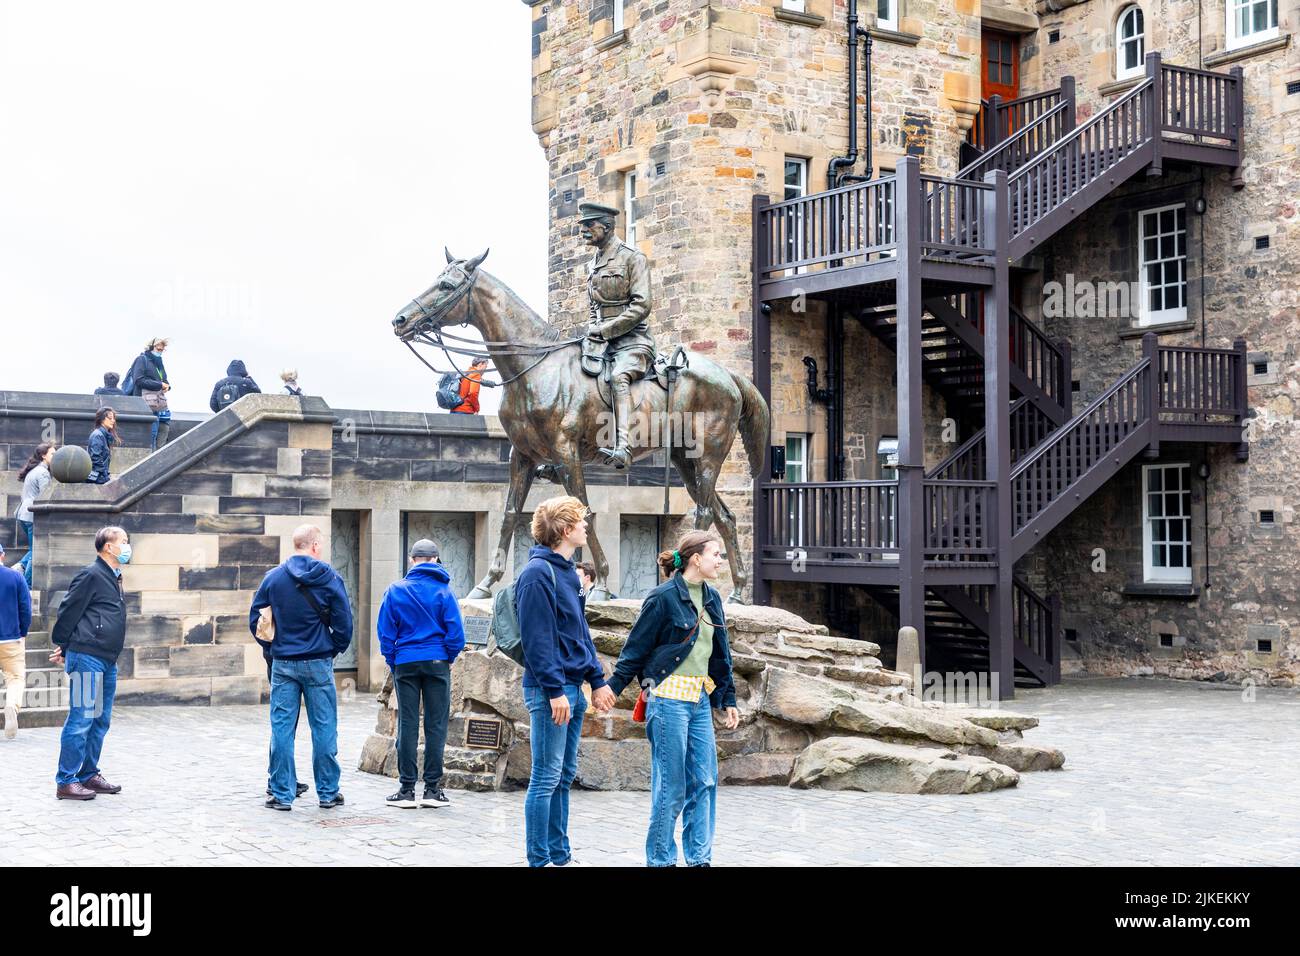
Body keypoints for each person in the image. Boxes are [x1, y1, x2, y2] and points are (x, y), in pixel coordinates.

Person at [605, 530, 739, 867]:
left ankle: (699, 859)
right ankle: (661, 860)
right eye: (716, 555)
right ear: (696, 558)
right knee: (672, 786)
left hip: (698, 702)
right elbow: (635, 650)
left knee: (705, 781)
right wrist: (612, 687)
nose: (720, 561)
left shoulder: (712, 598)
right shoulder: (662, 598)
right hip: (667, 702)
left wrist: (727, 699)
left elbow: (720, 655)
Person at [515, 495, 616, 866]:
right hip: (549, 693)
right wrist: (554, 689)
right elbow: (537, 639)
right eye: (580, 521)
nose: (586, 527)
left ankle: (560, 856)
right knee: (545, 776)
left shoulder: (568, 572)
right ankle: (539, 859)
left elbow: (578, 633)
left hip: (573, 689)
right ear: (564, 529)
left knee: (563, 774)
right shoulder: (537, 574)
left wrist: (597, 679)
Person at [248, 524, 353, 811]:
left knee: (281, 728)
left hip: (284, 663)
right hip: (318, 661)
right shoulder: (329, 577)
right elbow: (344, 623)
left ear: (295, 545)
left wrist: (272, 649)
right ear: (315, 546)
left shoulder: (273, 578)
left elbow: (256, 621)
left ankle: (282, 794)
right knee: (324, 727)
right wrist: (332, 649)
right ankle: (328, 792)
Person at [377, 539, 466, 809]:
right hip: (437, 660)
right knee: (436, 725)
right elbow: (456, 635)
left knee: (407, 723)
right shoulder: (444, 591)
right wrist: (446, 657)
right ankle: (432, 790)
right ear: (436, 559)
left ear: (411, 559)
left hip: (405, 661)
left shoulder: (395, 590)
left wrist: (395, 660)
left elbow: (385, 633)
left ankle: (405, 790)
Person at [50, 527, 130, 800]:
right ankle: (66, 780)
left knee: (99, 720)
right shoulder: (91, 574)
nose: (127, 546)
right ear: (108, 547)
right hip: (88, 658)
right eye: (123, 542)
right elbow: (69, 610)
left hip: (107, 659)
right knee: (82, 718)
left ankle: (88, 774)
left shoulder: (114, 576)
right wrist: (63, 644)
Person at [579, 201, 654, 468]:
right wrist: (592, 329)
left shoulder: (633, 257)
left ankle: (623, 446)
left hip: (632, 342)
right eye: (583, 226)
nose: (584, 231)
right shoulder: (593, 264)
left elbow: (642, 305)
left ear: (606, 226)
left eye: (589, 226)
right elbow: (594, 306)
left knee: (617, 377)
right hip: (600, 342)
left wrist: (606, 330)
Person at [0, 543, 32, 740]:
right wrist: (23, 632)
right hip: (11, 637)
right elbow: (25, 608)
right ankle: (11, 706)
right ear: (2, 555)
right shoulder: (16, 577)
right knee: (15, 678)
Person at [16, 442, 55, 587]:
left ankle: (19, 567)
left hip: (24, 514)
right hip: (33, 516)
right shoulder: (43, 472)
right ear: (44, 456)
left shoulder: (34, 471)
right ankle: (26, 585)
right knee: (37, 551)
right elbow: (46, 496)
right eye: (53, 454)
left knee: (34, 549)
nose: (55, 457)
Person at [126, 337, 172, 450]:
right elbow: (139, 380)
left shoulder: (159, 364)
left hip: (156, 406)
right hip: (143, 405)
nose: (160, 350)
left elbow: (164, 380)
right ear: (151, 347)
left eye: (162, 349)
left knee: (155, 436)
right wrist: (159, 385)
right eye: (158, 348)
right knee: (149, 438)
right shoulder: (142, 359)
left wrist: (167, 386)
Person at [86, 408, 119, 485]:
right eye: (110, 418)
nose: (113, 421)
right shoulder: (98, 435)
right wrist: (105, 477)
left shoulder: (102, 435)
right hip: (97, 480)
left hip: (99, 478)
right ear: (102, 419)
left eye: (114, 418)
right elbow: (96, 458)